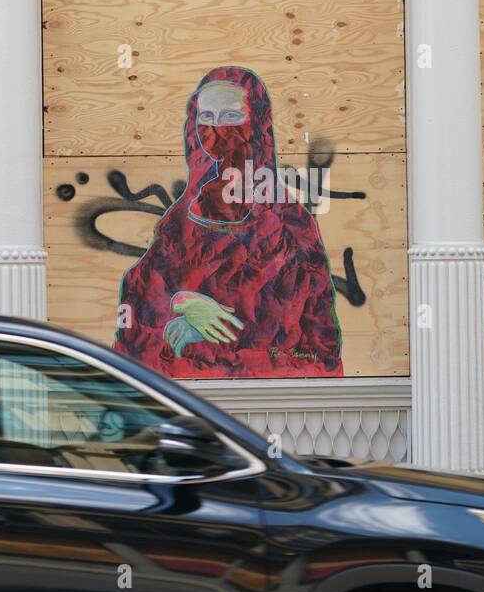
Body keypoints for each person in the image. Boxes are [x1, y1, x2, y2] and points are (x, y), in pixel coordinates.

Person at [114, 66, 343, 378]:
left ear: (257, 123)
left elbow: (305, 336)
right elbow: (139, 290)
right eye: (206, 118)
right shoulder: (182, 218)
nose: (217, 130)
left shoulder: (290, 225)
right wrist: (182, 303)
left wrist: (208, 331)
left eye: (232, 117)